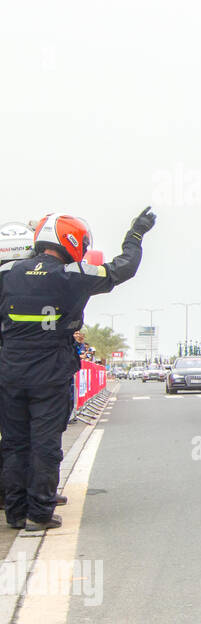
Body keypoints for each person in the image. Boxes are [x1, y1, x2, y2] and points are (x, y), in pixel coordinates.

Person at [0, 208, 154, 529]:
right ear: (72, 242)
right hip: (50, 372)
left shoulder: (8, 272)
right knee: (45, 443)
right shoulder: (74, 275)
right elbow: (123, 268)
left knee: (14, 443)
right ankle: (39, 514)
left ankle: (14, 514)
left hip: (9, 370)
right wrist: (135, 234)